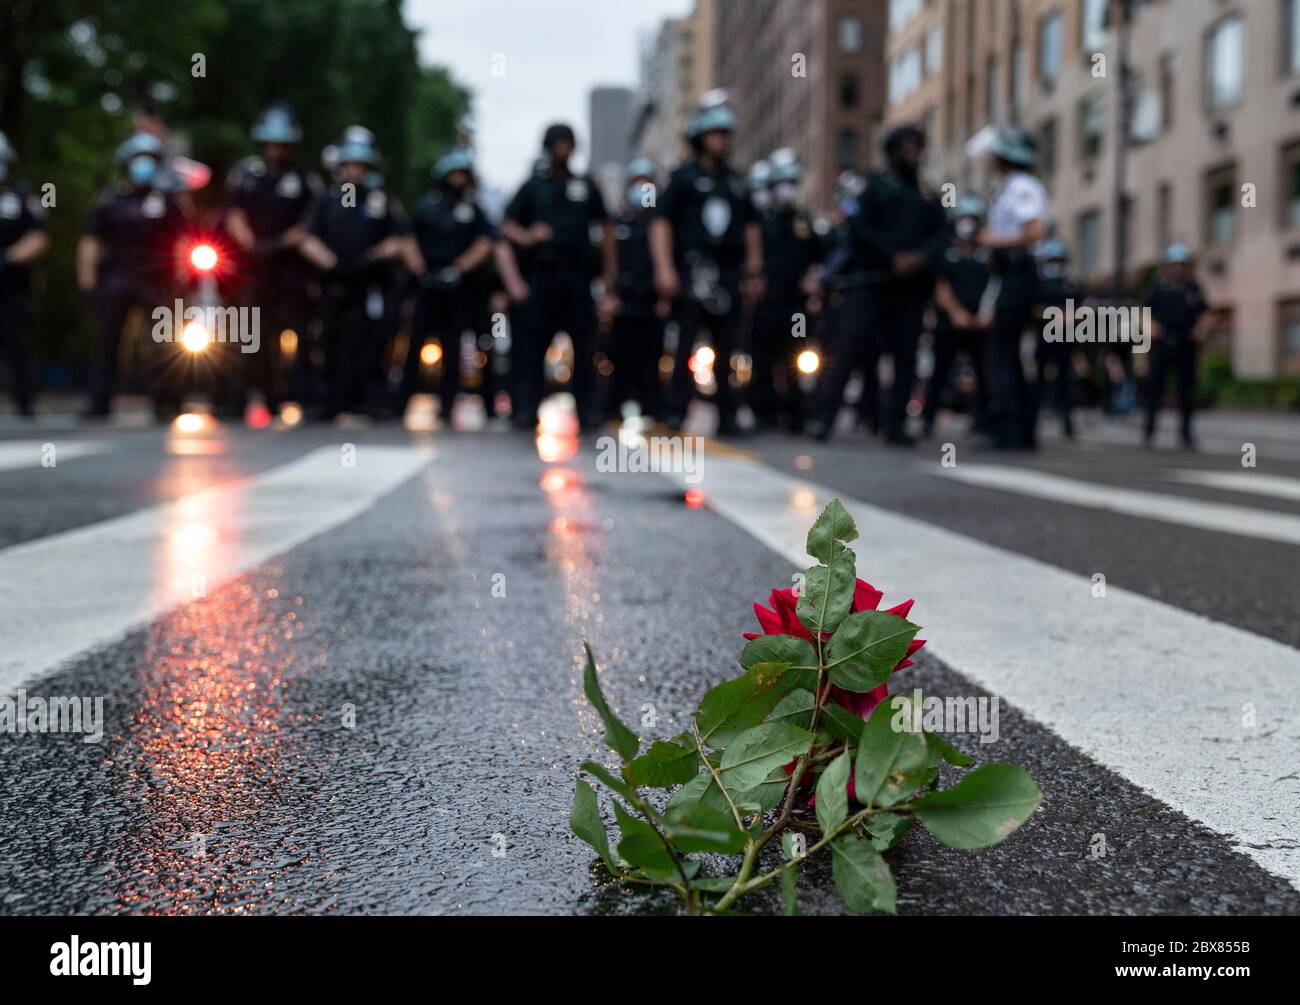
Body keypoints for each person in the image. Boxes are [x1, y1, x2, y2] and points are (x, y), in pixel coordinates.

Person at [808, 124, 947, 445]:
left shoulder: (927, 195)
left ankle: (895, 423)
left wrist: (919, 258)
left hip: (909, 290)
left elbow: (941, 237)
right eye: (906, 148)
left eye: (917, 148)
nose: (912, 154)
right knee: (847, 348)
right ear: (893, 151)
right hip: (870, 284)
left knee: (906, 356)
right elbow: (858, 229)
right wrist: (891, 257)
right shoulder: (873, 187)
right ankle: (822, 417)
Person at [650, 94, 763, 436]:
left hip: (728, 272)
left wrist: (755, 271)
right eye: (716, 133)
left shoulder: (737, 181)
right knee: (684, 344)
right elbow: (661, 224)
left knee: (729, 348)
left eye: (726, 134)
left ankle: (728, 415)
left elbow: (751, 228)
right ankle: (675, 412)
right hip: (691, 271)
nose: (722, 140)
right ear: (700, 137)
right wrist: (665, 269)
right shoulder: (682, 178)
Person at [501, 124, 615, 432]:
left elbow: (606, 231)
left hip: (578, 277)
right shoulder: (534, 186)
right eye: (558, 143)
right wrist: (527, 237)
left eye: (568, 143)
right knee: (532, 346)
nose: (563, 149)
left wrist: (608, 281)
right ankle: (525, 409)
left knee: (585, 347)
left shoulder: (586, 186)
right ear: (548, 147)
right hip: (543, 276)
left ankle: (587, 412)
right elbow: (507, 225)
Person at [298, 131, 415, 419]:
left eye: (362, 166)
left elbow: (400, 239)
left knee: (371, 339)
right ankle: (327, 400)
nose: (356, 171)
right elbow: (308, 238)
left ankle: (370, 399)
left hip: (369, 282)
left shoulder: (380, 200)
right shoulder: (328, 198)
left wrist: (373, 256)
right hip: (335, 281)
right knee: (328, 338)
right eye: (351, 164)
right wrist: (331, 262)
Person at [78, 131, 189, 419]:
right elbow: (92, 240)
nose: (143, 165)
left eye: (149, 159)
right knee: (106, 341)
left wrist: (182, 279)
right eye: (138, 159)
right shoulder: (110, 199)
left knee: (164, 342)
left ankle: (166, 402)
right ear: (126, 163)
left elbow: (184, 239)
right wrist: (88, 281)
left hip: (158, 280)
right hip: (118, 277)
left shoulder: (167, 200)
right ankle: (98, 403)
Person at [223, 103, 324, 417]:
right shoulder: (245, 175)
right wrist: (250, 242)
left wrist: (286, 241)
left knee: (299, 332)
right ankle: (242, 397)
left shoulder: (305, 180)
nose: (276, 149)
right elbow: (232, 213)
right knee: (248, 334)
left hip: (292, 268)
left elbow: (312, 222)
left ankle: (304, 399)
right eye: (271, 143)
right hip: (253, 267)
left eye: (282, 143)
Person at [400, 145, 495, 424]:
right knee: (415, 343)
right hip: (428, 287)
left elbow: (485, 243)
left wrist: (458, 268)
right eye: (454, 173)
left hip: (461, 289)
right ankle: (399, 402)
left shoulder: (473, 210)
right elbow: (408, 239)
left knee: (455, 346)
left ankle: (447, 404)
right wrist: (421, 271)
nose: (458, 178)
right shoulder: (426, 206)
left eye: (462, 173)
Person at [978, 127, 1048, 450]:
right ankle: (1015, 427)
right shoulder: (1009, 187)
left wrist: (993, 240)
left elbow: (1033, 231)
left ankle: (1012, 427)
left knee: (1003, 354)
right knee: (1007, 355)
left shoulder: (1021, 186)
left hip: (1019, 272)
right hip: (1011, 274)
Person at [750, 149, 823, 433]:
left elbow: (819, 258)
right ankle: (764, 412)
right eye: (782, 182)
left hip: (795, 306)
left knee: (797, 358)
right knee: (763, 358)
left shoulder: (803, 222)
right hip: (767, 302)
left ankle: (797, 412)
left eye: (792, 182)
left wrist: (814, 282)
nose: (787, 189)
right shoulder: (761, 221)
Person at [599, 158, 666, 424]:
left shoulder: (660, 223)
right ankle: (610, 407)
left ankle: (653, 407)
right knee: (617, 357)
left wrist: (664, 298)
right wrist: (610, 293)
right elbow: (608, 261)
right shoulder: (618, 223)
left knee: (652, 359)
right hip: (624, 299)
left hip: (652, 299)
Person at [924, 196, 991, 439]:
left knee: (982, 374)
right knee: (940, 372)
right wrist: (956, 312)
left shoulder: (987, 255)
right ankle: (927, 419)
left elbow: (994, 286)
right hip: (949, 323)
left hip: (979, 323)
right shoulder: (947, 253)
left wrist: (984, 314)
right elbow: (940, 287)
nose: (969, 225)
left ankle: (981, 422)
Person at [0, 132, 50, 418]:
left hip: (11, 285)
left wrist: (8, 257)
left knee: (17, 345)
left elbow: (38, 237)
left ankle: (25, 405)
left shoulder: (20, 196)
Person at [1143, 242, 1209, 449]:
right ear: (1167, 266)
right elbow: (1141, 312)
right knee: (1155, 388)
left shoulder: (1193, 289)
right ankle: (1149, 430)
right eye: (1174, 264)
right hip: (1162, 343)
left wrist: (1201, 329)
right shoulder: (1158, 288)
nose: (1178, 268)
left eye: (1182, 264)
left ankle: (1186, 433)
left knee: (1186, 391)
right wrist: (1151, 327)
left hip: (1186, 343)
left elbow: (1206, 312)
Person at [1033, 237, 1082, 440]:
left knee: (1065, 382)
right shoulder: (1039, 284)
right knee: (1038, 381)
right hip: (1043, 339)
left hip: (1065, 339)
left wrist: (1068, 317)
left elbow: (1081, 310)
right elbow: (1033, 309)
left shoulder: (1070, 285)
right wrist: (1052, 315)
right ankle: (1032, 421)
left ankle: (1068, 424)